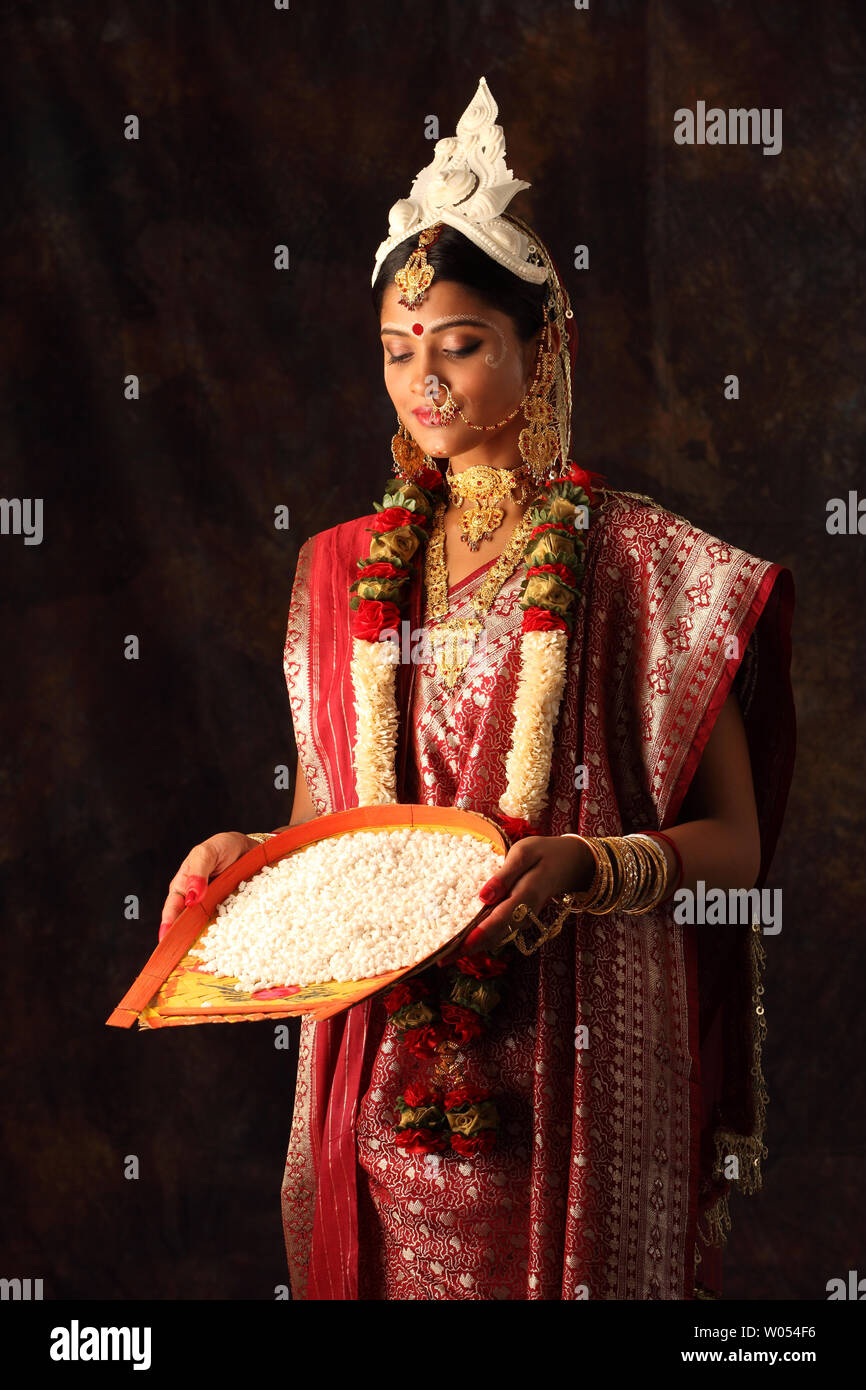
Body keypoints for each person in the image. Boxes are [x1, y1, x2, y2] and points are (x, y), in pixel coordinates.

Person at [160, 77, 795, 1300]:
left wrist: (587, 865)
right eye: (398, 351)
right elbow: (325, 829)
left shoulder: (642, 565)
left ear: (538, 347)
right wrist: (248, 857)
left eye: (458, 344)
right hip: (386, 1060)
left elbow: (732, 843)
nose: (424, 381)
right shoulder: (342, 568)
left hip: (571, 1056)